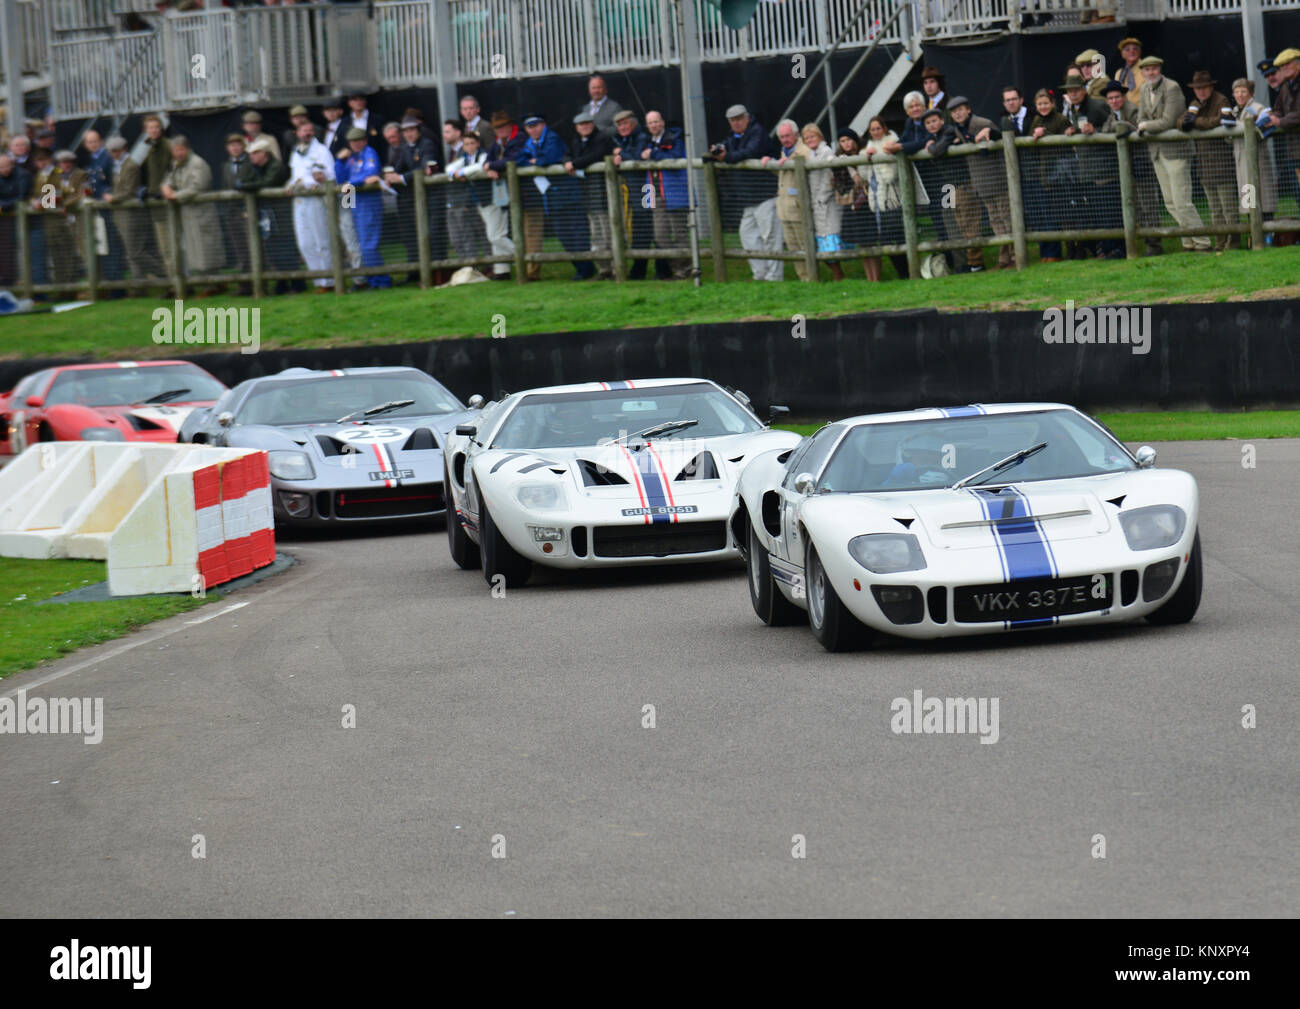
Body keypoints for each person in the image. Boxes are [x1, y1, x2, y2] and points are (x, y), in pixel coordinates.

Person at [1137, 56, 1211, 252]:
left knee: (1182, 202)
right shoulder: (1144, 89)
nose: (1150, 73)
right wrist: (1144, 123)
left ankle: (1203, 242)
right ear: (1142, 73)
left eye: (1154, 69)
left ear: (1160, 69)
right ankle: (1188, 242)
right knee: (1170, 203)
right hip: (1156, 151)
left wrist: (1146, 126)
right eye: (1147, 70)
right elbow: (1140, 116)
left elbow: (1168, 121)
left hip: (1176, 151)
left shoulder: (1172, 88)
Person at [706, 104, 780, 281]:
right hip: (747, 199)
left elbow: (750, 152)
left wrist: (727, 157)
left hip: (766, 195)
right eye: (733, 120)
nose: (736, 123)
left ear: (747, 117)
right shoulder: (732, 137)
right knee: (748, 237)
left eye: (739, 119)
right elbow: (727, 149)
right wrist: (717, 152)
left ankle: (774, 277)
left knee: (770, 237)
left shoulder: (757, 132)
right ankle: (760, 274)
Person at [517, 113, 593, 280]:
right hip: (551, 198)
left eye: (536, 125)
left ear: (543, 125)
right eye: (530, 127)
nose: (533, 129)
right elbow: (520, 158)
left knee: (578, 233)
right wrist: (534, 161)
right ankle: (581, 268)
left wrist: (534, 161)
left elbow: (549, 158)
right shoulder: (530, 143)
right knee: (564, 235)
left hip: (568, 194)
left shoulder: (552, 137)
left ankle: (586, 268)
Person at [945, 96, 1007, 269]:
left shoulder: (982, 123)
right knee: (995, 221)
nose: (957, 114)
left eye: (960, 110)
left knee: (1006, 219)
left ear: (968, 110)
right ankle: (1005, 258)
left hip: (997, 178)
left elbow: (1000, 138)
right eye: (954, 112)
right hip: (980, 183)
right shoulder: (957, 130)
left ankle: (1014, 257)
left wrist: (989, 133)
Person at [1182, 71, 1238, 250]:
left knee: (1229, 209)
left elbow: (1222, 120)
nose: (1201, 91)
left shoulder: (1221, 100)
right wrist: (1190, 122)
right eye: (1198, 88)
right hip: (1205, 166)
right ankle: (1220, 243)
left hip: (1222, 164)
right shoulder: (1194, 103)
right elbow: (1181, 122)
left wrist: (1196, 122)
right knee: (1215, 210)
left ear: (1211, 87)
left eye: (1204, 88)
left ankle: (1234, 243)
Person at [161, 135, 221, 293]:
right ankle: (203, 283)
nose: (178, 153)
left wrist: (176, 196)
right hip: (186, 214)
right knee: (191, 249)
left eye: (181, 150)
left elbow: (198, 186)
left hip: (201, 213)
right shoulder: (176, 164)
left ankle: (214, 283)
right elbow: (169, 181)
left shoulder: (197, 163)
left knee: (205, 248)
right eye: (175, 150)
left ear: (186, 149)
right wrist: (166, 188)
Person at [611, 109, 667, 280]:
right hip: (634, 192)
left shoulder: (641, 137)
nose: (622, 127)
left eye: (625, 123)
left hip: (646, 189)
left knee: (651, 227)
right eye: (619, 125)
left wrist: (621, 154)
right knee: (640, 229)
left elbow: (637, 156)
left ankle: (662, 268)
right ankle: (639, 269)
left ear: (633, 124)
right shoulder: (623, 140)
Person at [103, 135, 163, 289]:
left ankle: (165, 275)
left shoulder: (131, 165)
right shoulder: (117, 165)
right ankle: (140, 285)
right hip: (122, 214)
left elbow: (129, 191)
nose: (114, 153)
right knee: (132, 253)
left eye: (117, 150)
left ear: (124, 149)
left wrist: (113, 198)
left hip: (133, 214)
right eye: (112, 151)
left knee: (135, 252)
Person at [1061, 72, 1109, 258]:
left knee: (1108, 211)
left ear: (1083, 91)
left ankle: (1115, 248)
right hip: (1087, 171)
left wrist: (1096, 131)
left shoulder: (1097, 106)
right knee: (1095, 212)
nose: (1073, 94)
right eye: (1069, 91)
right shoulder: (1074, 110)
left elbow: (1113, 125)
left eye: (1076, 90)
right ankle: (1102, 249)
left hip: (1104, 170)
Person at [384, 117, 439, 277]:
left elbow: (425, 167)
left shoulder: (426, 144)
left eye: (411, 130)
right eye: (406, 131)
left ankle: (434, 274)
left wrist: (400, 178)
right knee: (412, 236)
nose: (409, 134)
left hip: (429, 198)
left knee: (431, 235)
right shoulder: (406, 147)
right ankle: (415, 274)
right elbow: (399, 167)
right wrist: (390, 175)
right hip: (347, 194)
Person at [334, 126, 389, 288]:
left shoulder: (369, 154)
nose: (355, 144)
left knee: (368, 245)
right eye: (352, 141)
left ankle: (381, 281)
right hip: (351, 201)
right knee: (354, 242)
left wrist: (352, 183)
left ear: (364, 140)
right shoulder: (352, 157)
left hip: (367, 204)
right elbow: (341, 178)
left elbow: (370, 174)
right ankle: (367, 280)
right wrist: (340, 161)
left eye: (358, 141)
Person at [566, 110, 615, 278]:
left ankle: (616, 267)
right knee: (597, 234)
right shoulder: (576, 141)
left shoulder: (601, 138)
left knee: (610, 232)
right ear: (576, 127)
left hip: (605, 194)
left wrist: (574, 163)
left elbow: (595, 156)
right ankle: (604, 268)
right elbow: (567, 155)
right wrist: (567, 162)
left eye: (587, 123)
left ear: (592, 125)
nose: (585, 127)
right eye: (581, 124)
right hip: (588, 195)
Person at [641, 110, 690, 280]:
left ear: (662, 122)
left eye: (656, 121)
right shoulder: (646, 142)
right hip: (652, 192)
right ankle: (676, 267)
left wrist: (653, 155)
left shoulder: (675, 139)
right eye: (650, 123)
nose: (654, 125)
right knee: (659, 235)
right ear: (647, 126)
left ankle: (685, 269)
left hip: (674, 193)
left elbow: (675, 158)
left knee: (679, 233)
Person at [288, 119, 334, 291]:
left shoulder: (322, 151)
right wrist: (290, 185)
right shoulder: (295, 152)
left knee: (321, 240)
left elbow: (331, 174)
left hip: (316, 198)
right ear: (297, 133)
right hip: (299, 200)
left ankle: (329, 281)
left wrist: (321, 178)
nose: (306, 133)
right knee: (304, 243)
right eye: (303, 130)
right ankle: (318, 280)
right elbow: (295, 176)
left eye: (309, 130)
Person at [1029, 89, 1075, 262]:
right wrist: (1036, 135)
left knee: (1067, 214)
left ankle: (1070, 250)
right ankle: (1052, 253)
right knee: (1051, 215)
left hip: (1062, 173)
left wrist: (1044, 135)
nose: (1043, 107)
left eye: (1046, 103)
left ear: (1053, 103)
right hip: (1045, 173)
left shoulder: (1061, 120)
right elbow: (1030, 140)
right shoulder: (1036, 120)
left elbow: (1066, 144)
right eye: (1040, 104)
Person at [1231, 78, 1277, 240]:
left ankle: (1268, 238)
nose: (1240, 95)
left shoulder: (1258, 108)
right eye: (1236, 92)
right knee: (1248, 200)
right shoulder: (1234, 111)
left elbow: (1261, 130)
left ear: (1250, 93)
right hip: (1241, 162)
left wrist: (1236, 127)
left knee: (1263, 199)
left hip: (1257, 161)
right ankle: (1254, 238)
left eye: (1243, 91)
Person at [1096, 80, 1138, 258]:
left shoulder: (1133, 110)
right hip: (1119, 167)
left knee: (1144, 206)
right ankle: (1115, 248)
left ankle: (1151, 244)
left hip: (1138, 163)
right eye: (1111, 98)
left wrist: (1122, 128)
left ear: (1123, 97)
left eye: (1117, 97)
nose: (1114, 101)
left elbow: (1134, 128)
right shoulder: (1111, 115)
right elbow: (1107, 131)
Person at [480, 110, 524, 280]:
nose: (500, 130)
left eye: (503, 127)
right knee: (499, 232)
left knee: (496, 235)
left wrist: (491, 166)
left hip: (519, 190)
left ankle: (521, 257)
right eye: (497, 128)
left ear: (509, 125)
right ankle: (502, 270)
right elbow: (487, 159)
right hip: (502, 191)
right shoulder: (498, 142)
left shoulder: (518, 137)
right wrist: (489, 166)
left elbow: (512, 160)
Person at [766, 119, 811, 281]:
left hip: (799, 207)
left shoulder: (804, 151)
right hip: (784, 208)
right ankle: (803, 278)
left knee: (804, 245)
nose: (785, 139)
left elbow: (805, 170)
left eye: (787, 136)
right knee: (792, 247)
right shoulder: (783, 152)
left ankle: (811, 278)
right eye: (782, 137)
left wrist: (789, 163)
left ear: (796, 135)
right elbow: (783, 175)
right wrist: (770, 164)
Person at [82, 129, 124, 291]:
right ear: (86, 144)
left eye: (95, 141)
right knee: (102, 247)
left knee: (112, 246)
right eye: (89, 142)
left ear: (100, 141)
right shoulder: (90, 161)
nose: (93, 144)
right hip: (96, 209)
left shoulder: (107, 158)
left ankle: (117, 286)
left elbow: (111, 181)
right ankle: (108, 285)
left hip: (108, 208)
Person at [800, 123, 843, 281]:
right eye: (806, 138)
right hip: (816, 204)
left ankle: (839, 275)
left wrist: (821, 198)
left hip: (827, 204)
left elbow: (829, 177)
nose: (810, 140)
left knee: (831, 241)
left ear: (819, 136)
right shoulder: (810, 154)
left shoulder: (826, 151)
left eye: (812, 136)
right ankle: (836, 274)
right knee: (821, 242)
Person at [140, 114, 174, 278]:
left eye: (156, 127)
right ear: (145, 130)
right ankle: (169, 279)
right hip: (153, 202)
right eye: (150, 127)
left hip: (167, 200)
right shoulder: (145, 148)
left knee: (171, 244)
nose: (153, 130)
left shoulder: (168, 146)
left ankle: (177, 282)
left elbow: (174, 169)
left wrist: (166, 186)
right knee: (161, 246)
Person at [0, 153, 31, 287]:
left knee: (26, 250)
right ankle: (8, 283)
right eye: (1, 167)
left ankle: (32, 286)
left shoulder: (23, 175)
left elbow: (21, 197)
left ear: (12, 164)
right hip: (5, 222)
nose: (4, 169)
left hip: (25, 220)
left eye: (6, 166)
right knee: (6, 252)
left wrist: (3, 207)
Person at [1113, 37, 1146, 107]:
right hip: (1124, 112)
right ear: (1122, 54)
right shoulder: (1119, 73)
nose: (1132, 51)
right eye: (1127, 49)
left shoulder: (1147, 69)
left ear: (1140, 52)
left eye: (1135, 48)